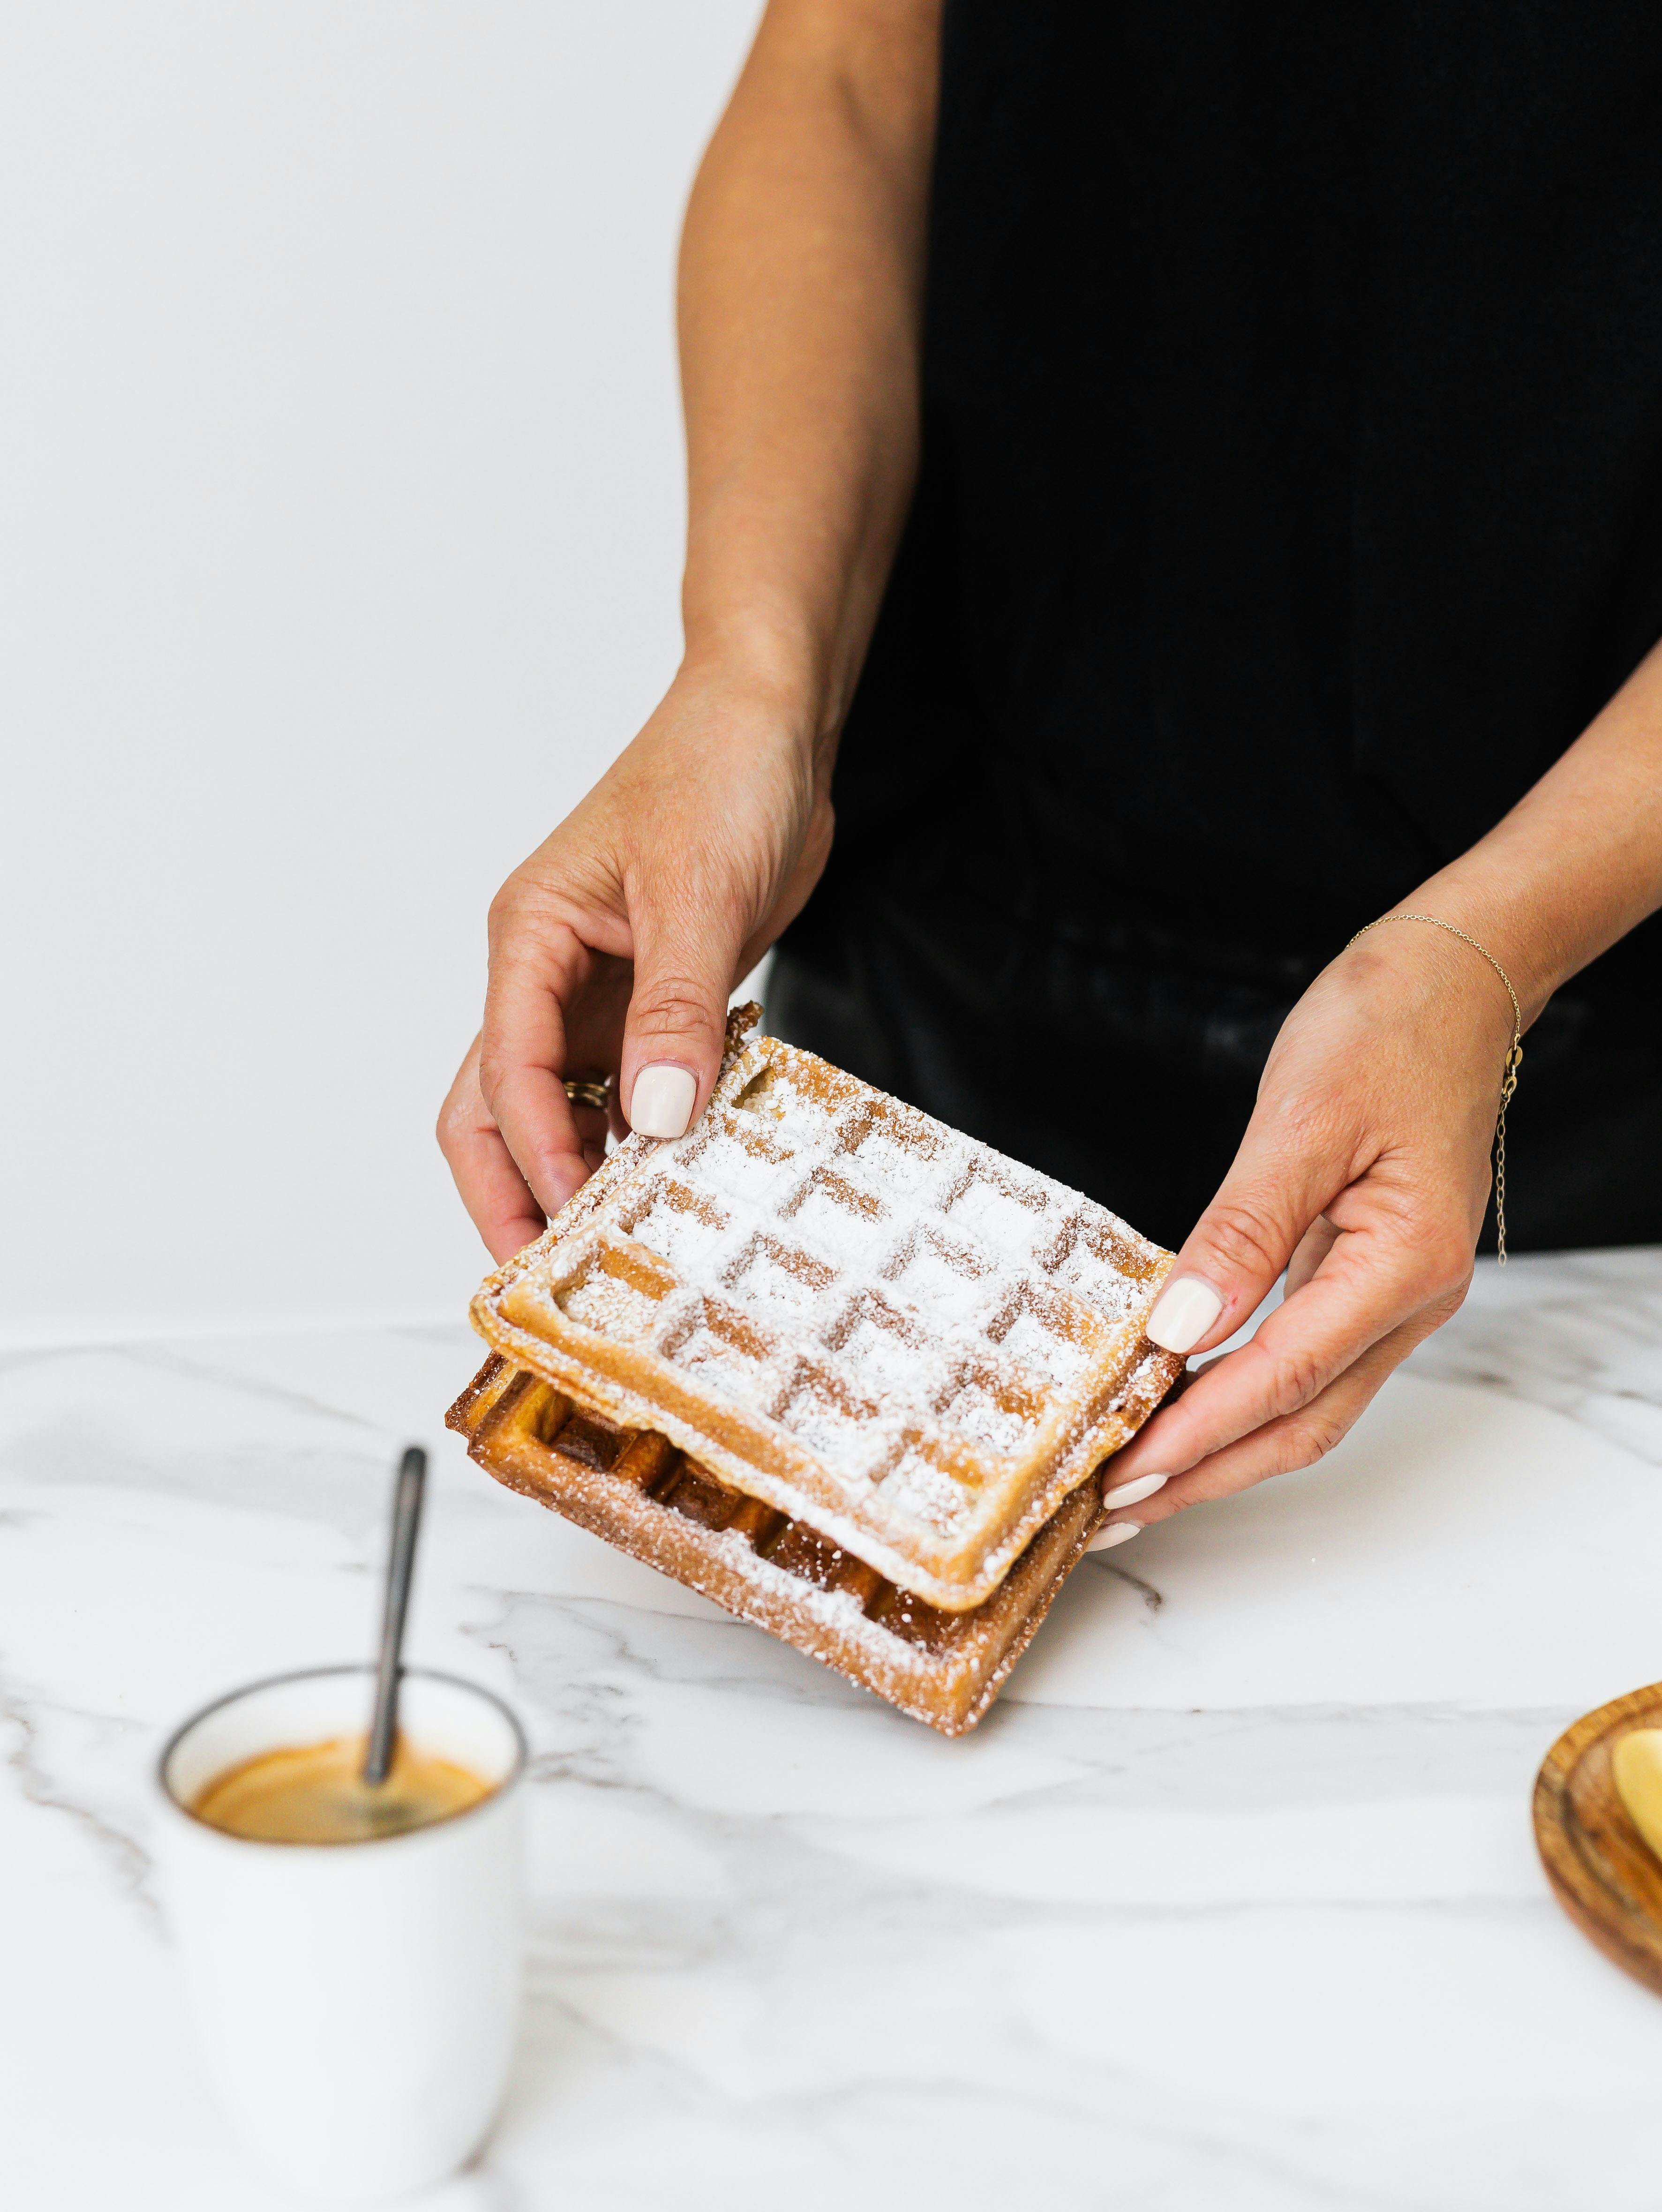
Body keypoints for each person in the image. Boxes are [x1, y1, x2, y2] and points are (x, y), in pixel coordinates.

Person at [439, 0, 1662, 1546]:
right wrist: (755, 682)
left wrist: (1491, 945)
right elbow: (846, 73)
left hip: (1598, 1032)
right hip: (953, 907)